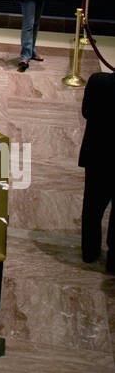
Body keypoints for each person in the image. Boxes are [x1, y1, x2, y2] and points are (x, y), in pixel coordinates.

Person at [79, 70, 115, 272]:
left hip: (97, 156)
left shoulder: (97, 81)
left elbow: (86, 112)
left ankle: (89, 252)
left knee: (92, 208)